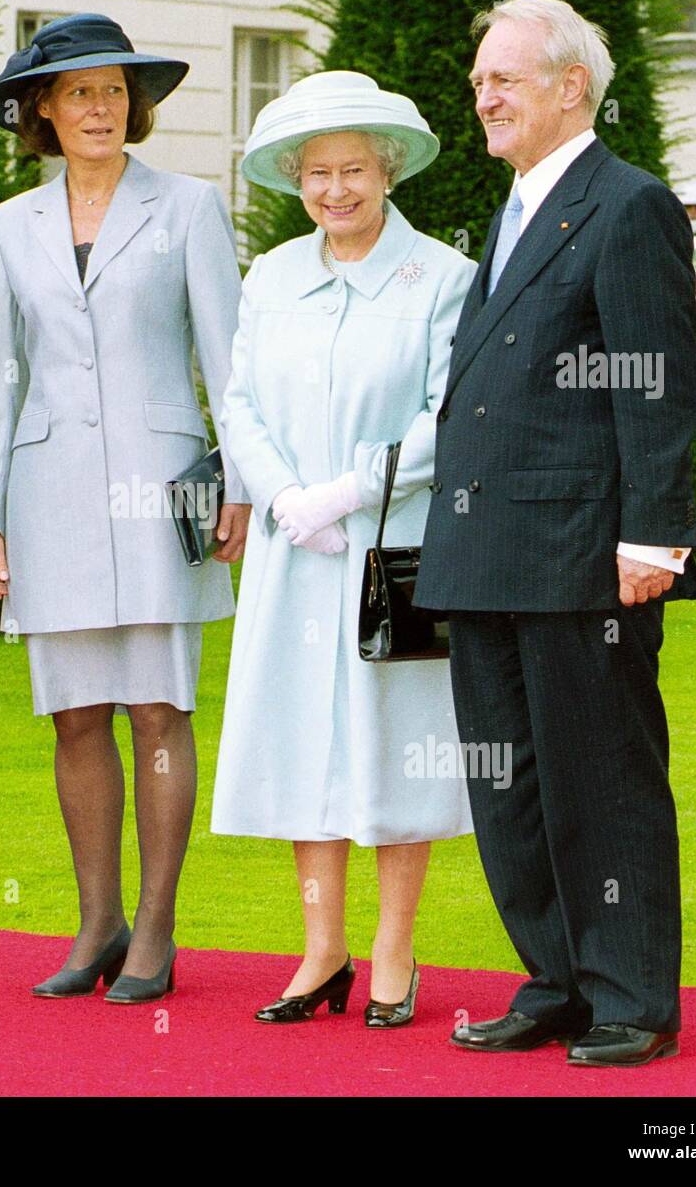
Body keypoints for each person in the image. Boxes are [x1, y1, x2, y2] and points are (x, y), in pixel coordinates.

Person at [416, 0, 696, 1067]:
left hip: (584, 558)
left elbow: (655, 387)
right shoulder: (512, 208)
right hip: (483, 551)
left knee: (605, 781)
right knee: (509, 783)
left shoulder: (627, 207)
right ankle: (556, 980)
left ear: (570, 87)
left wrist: (655, 537)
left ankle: (630, 996)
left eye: (502, 80)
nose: (482, 96)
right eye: (479, 82)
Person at [0, 13, 251, 1004]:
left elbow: (231, 363)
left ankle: (157, 930)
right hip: (47, 502)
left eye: (115, 91)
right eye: (79, 91)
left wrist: (243, 484)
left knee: (159, 708)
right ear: (41, 108)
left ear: (137, 105)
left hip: (164, 497)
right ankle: (96, 923)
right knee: (74, 717)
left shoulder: (190, 208)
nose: (100, 107)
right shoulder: (10, 226)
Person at [211, 71, 476, 1028]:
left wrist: (348, 489)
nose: (336, 190)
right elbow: (239, 402)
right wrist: (285, 498)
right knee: (300, 744)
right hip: (295, 550)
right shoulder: (272, 274)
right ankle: (323, 950)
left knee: (398, 746)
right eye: (317, 172)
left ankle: (397, 954)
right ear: (296, 178)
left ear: (388, 167)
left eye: (354, 169)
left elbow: (450, 417)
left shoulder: (443, 276)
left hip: (391, 546)